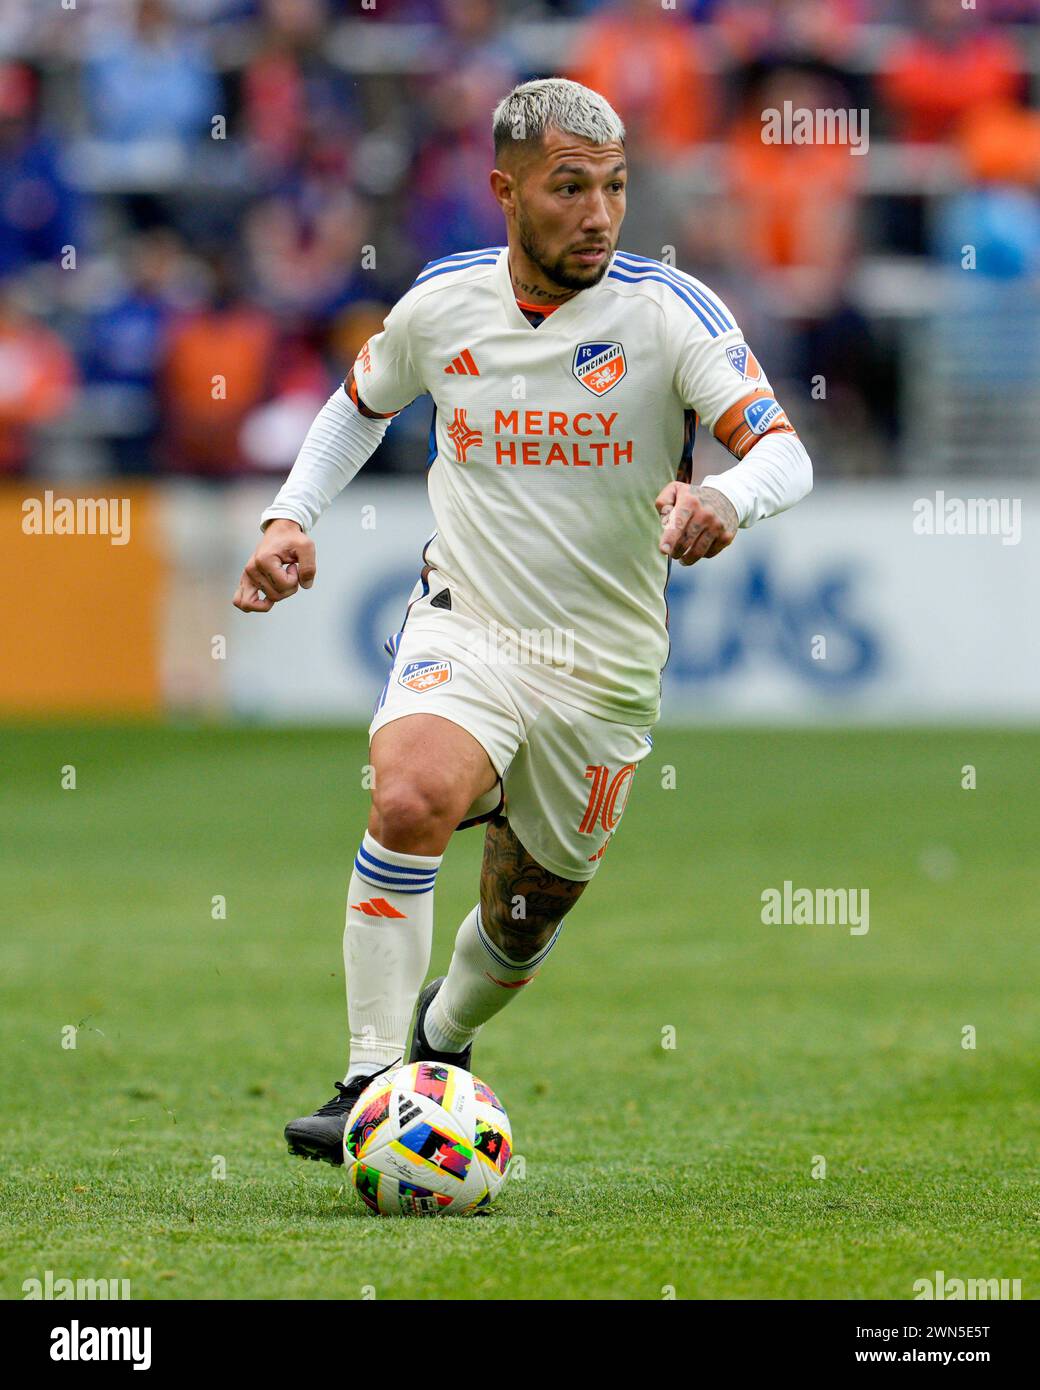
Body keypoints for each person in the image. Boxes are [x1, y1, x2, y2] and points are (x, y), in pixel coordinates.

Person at [232, 78, 813, 1164]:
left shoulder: (664, 314)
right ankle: (370, 1083)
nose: (598, 213)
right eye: (568, 189)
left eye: (614, 187)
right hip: (470, 623)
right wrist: (288, 515)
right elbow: (357, 405)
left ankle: (438, 1038)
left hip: (602, 671)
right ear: (504, 193)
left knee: (518, 924)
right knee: (408, 795)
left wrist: (722, 497)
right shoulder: (442, 303)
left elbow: (782, 448)